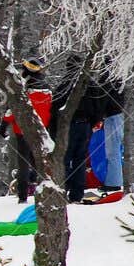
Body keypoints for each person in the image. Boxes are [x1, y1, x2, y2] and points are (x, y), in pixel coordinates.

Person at [0, 57, 53, 203]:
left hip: (22, 130)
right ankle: (42, 190)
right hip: (41, 129)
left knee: (23, 163)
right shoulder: (47, 88)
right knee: (38, 162)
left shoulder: (24, 88)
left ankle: (23, 196)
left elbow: (13, 109)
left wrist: (4, 124)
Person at [52, 71, 101, 203]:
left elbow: (55, 107)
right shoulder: (89, 86)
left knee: (66, 159)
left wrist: (54, 130)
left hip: (69, 126)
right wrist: (93, 122)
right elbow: (98, 106)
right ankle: (77, 193)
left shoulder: (64, 86)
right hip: (85, 125)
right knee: (80, 160)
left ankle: (63, 189)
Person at [84, 69, 126, 196]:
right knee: (115, 151)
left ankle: (113, 183)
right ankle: (114, 181)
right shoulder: (119, 77)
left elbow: (102, 100)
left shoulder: (106, 80)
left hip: (111, 116)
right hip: (117, 115)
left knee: (112, 151)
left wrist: (97, 116)